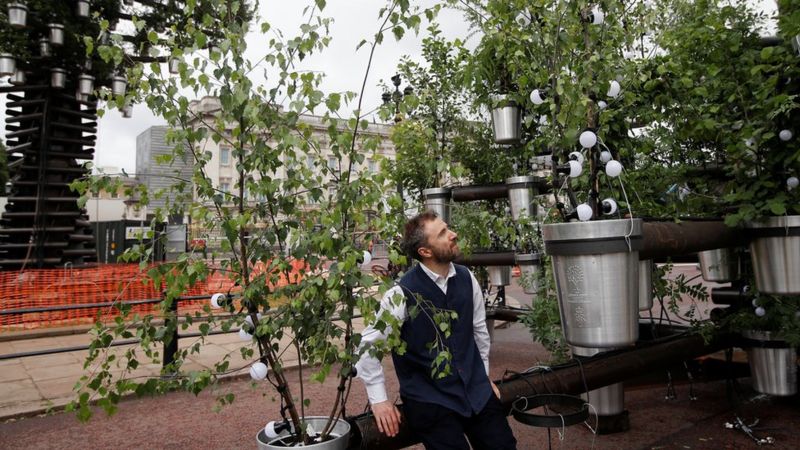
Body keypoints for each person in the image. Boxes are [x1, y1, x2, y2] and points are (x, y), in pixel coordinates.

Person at [355, 211, 517, 450]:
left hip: (476, 392)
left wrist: (481, 377)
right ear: (425, 252)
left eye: (447, 228)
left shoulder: (467, 278)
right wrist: (379, 400)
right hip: (430, 400)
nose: (453, 234)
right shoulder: (400, 294)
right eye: (442, 233)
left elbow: (479, 333)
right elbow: (368, 346)